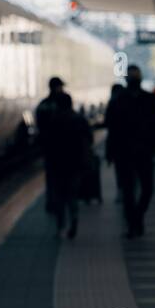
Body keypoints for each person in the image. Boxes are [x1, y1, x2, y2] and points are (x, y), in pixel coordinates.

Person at [104, 66, 155, 238]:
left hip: (142, 151)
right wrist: (110, 152)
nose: (134, 79)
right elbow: (112, 128)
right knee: (129, 190)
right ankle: (133, 224)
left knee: (147, 189)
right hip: (126, 152)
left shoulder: (146, 99)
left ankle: (137, 217)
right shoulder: (120, 100)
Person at [43, 93, 92, 239]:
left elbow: (47, 144)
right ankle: (74, 220)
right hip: (76, 164)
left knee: (59, 197)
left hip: (58, 165)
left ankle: (60, 227)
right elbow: (89, 139)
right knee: (72, 195)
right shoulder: (79, 119)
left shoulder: (53, 121)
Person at [35, 75, 69, 145]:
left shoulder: (43, 103)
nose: (62, 89)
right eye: (60, 87)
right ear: (55, 88)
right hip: (56, 140)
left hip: (47, 141)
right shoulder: (61, 103)